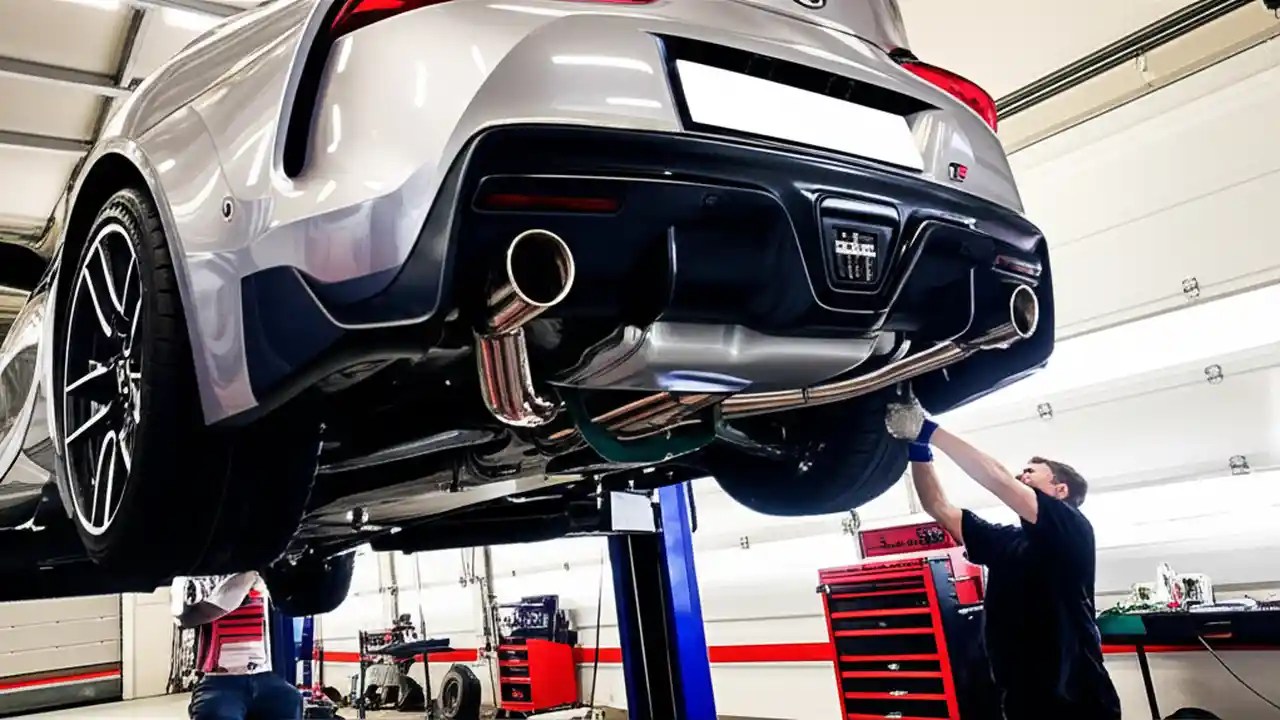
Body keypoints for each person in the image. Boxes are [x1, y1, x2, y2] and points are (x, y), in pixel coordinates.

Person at [887, 398, 1121, 720]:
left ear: (1061, 490)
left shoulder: (1072, 529)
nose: (1020, 475)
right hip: (1021, 696)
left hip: (1076, 697)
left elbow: (997, 479)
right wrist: (918, 447)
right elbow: (937, 506)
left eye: (1031, 472)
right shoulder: (1006, 541)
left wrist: (928, 428)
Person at [172, 572, 303, 720]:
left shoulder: (262, 575)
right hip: (219, 680)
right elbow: (184, 618)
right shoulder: (197, 574)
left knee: (290, 700)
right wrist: (240, 585)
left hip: (263, 675)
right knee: (217, 712)